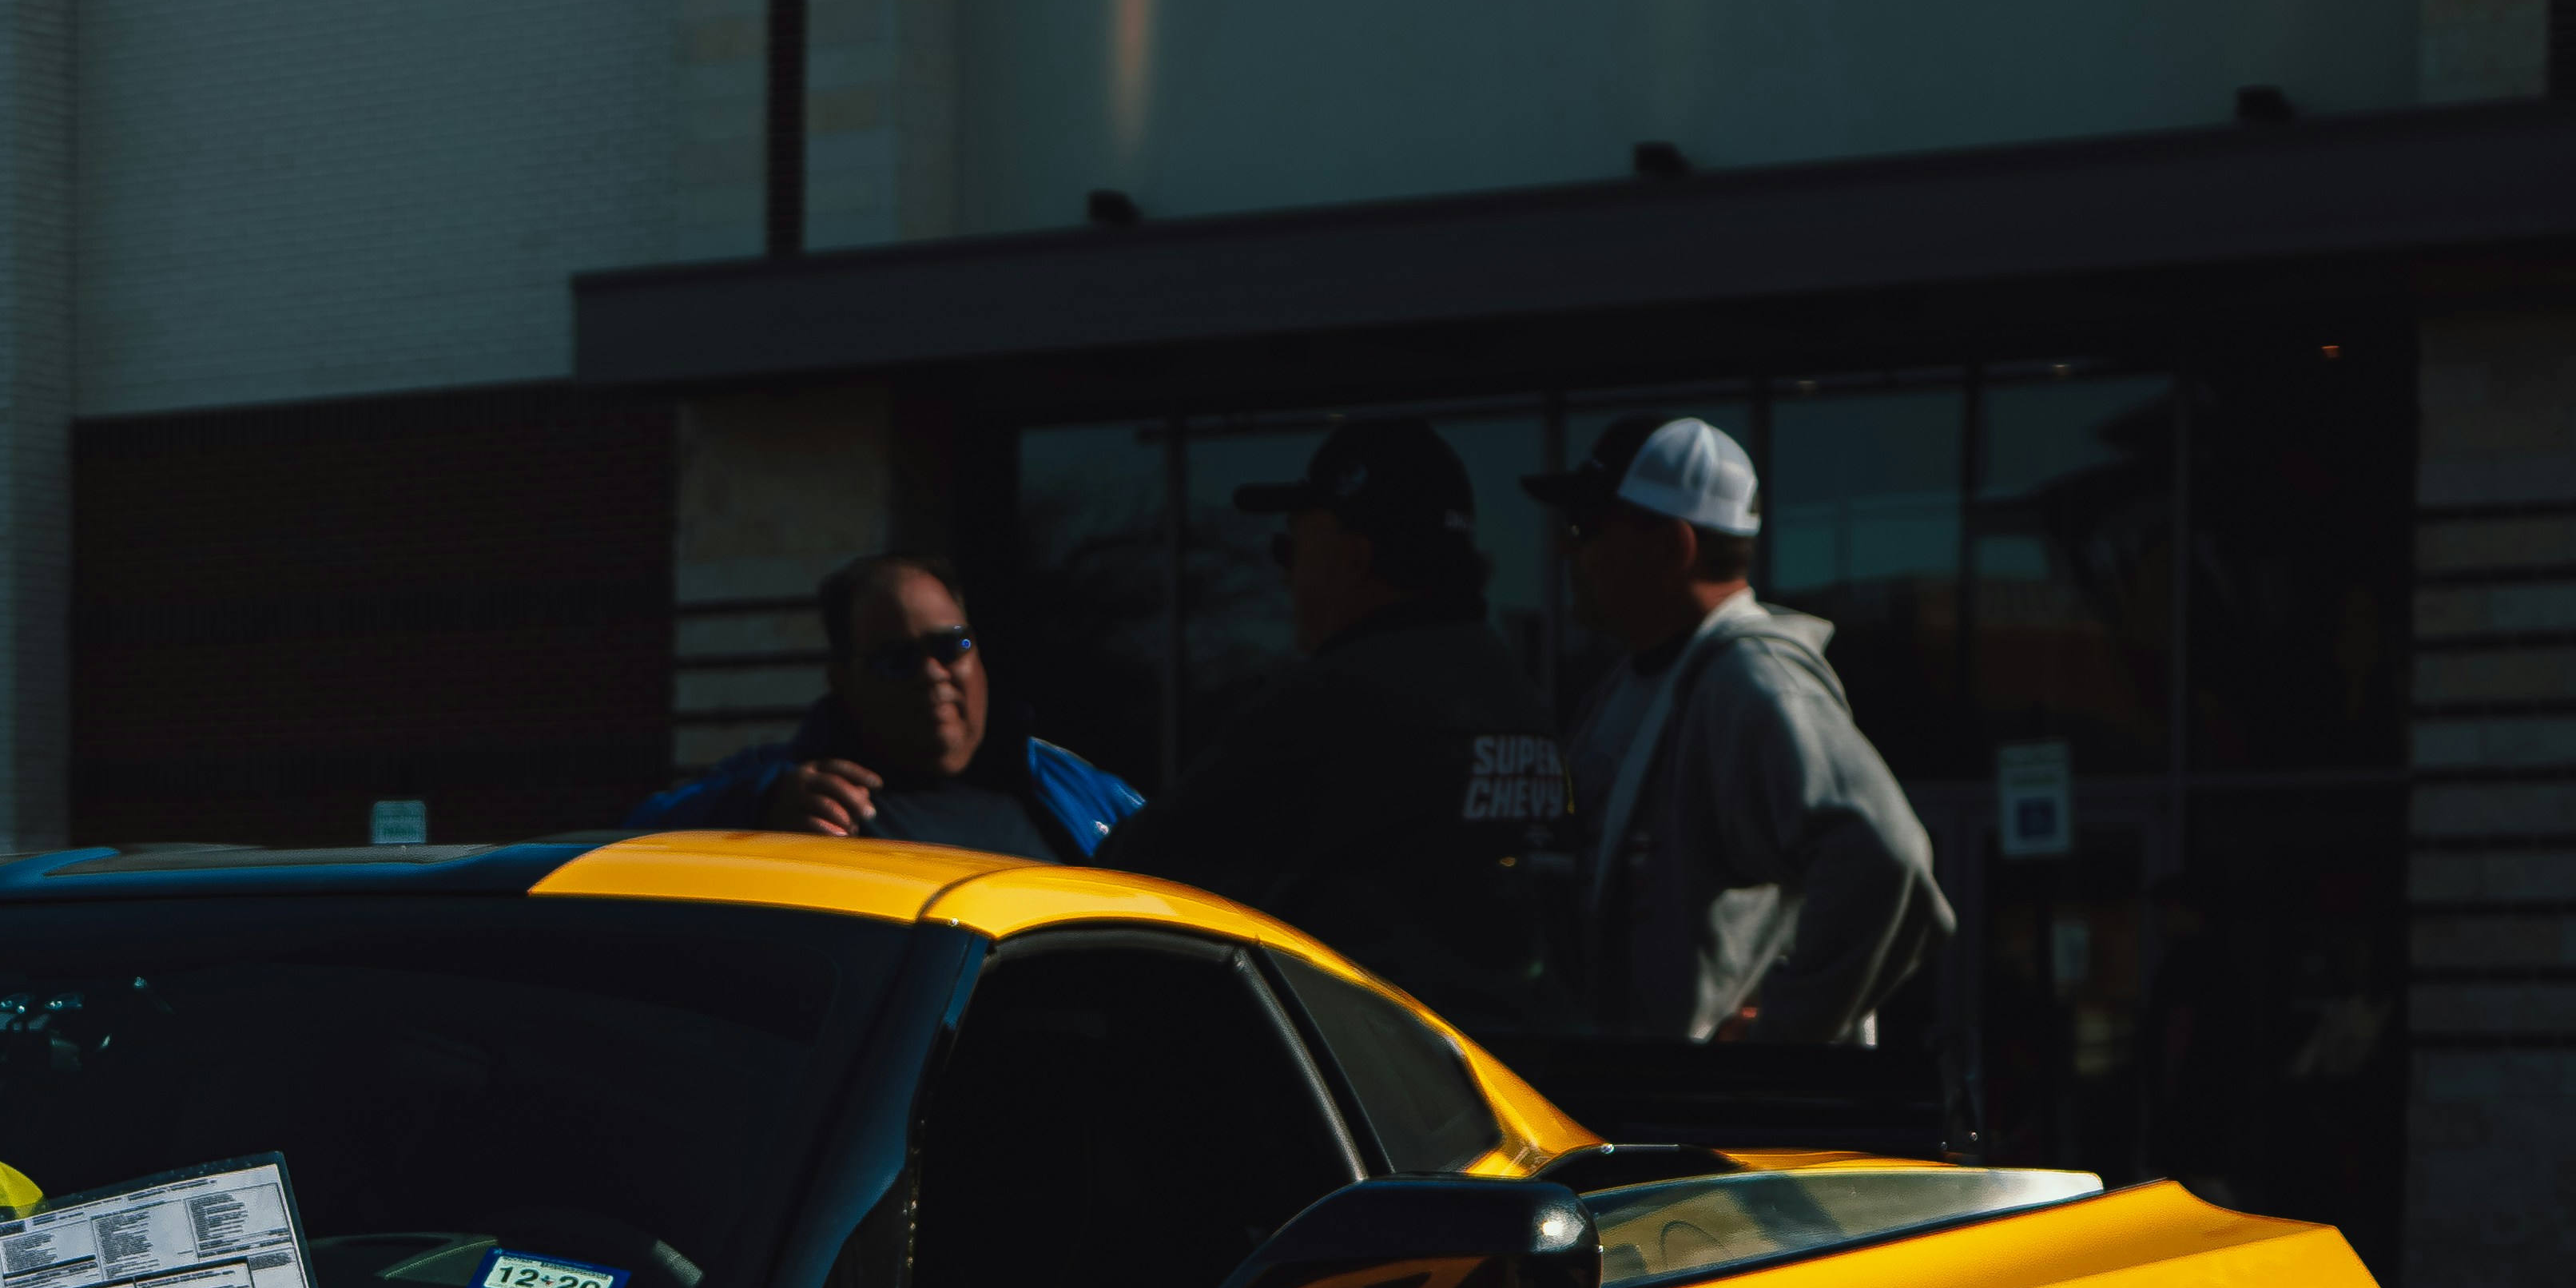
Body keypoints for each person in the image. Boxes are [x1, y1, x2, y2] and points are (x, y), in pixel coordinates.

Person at [1087, 416, 1578, 1032]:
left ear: (1352, 557)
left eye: (1289, 547)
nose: (1285, 574)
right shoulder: (1508, 688)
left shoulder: (1344, 697)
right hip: (1517, 1077)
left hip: (1389, 1085)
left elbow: (1140, 874)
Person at [1532, 415, 1951, 1044]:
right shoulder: (1642, 679)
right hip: (1650, 1111)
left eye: (1587, 527)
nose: (1566, 549)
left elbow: (1884, 859)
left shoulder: (1750, 679)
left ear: (1675, 546)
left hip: (1711, 1126)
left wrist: (1780, 1039)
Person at [638, 553, 1135, 860]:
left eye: (950, 646)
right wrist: (754, 809)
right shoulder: (787, 794)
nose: (932, 674)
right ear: (843, 679)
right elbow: (624, 849)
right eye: (897, 659)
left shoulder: (1075, 789)